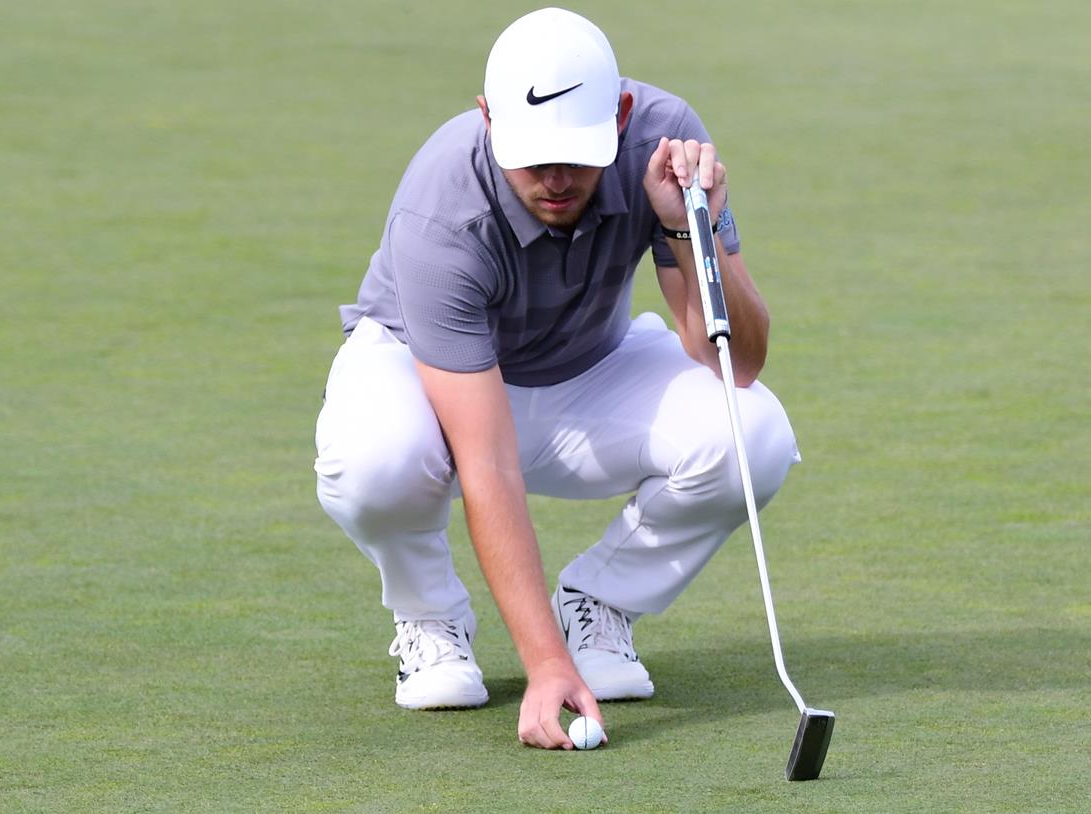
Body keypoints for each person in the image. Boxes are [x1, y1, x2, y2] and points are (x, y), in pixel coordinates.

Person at [313, 7, 799, 750]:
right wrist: (546, 667)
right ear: (486, 118)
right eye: (531, 154)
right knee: (377, 463)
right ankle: (430, 616)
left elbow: (740, 356)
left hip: (586, 368)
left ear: (622, 114)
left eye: (576, 152)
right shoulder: (441, 211)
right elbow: (487, 461)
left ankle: (599, 602)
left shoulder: (666, 142)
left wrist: (685, 227)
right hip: (426, 382)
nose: (555, 178)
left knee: (753, 433)